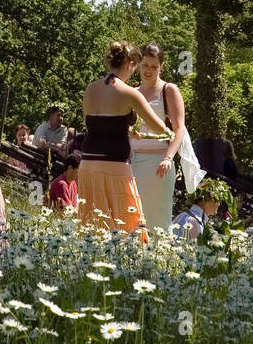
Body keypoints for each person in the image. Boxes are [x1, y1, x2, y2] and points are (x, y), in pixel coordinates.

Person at [79, 41, 172, 242]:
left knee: (93, 227)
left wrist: (127, 129)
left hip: (87, 165)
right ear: (129, 63)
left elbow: (94, 124)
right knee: (128, 226)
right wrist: (169, 132)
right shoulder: (130, 92)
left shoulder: (90, 89)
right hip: (115, 165)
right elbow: (158, 127)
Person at [133, 44, 203, 231]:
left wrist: (168, 157)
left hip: (159, 164)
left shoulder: (168, 90)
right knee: (133, 219)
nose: (148, 70)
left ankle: (160, 257)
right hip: (132, 162)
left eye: (154, 67)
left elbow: (179, 128)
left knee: (157, 220)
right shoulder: (133, 92)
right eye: (145, 65)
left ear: (161, 67)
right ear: (139, 64)